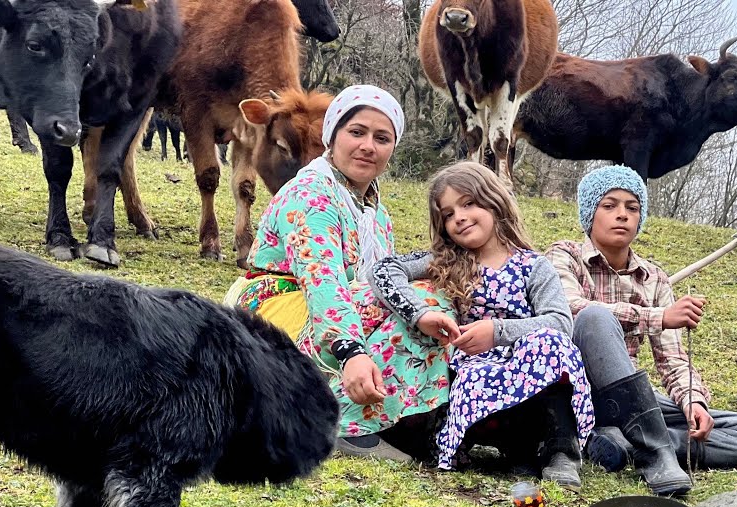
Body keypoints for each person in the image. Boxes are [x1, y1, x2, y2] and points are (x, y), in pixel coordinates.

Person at [224, 85, 452, 461]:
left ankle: (386, 416)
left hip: (334, 310)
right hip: (272, 315)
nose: (368, 146)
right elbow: (323, 282)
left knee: (424, 300)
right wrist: (351, 355)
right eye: (356, 132)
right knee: (403, 301)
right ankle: (338, 421)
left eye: (382, 138)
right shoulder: (311, 193)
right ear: (332, 136)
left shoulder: (374, 211)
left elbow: (382, 280)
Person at [547, 166, 737, 497]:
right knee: (595, 317)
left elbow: (673, 359)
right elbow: (569, 310)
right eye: (609, 206)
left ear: (641, 218)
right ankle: (655, 453)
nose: (621, 215)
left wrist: (693, 401)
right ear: (589, 214)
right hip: (571, 395)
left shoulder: (654, 278)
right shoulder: (563, 256)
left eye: (632, 208)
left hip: (628, 404)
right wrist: (658, 316)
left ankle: (628, 441)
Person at [367, 162, 594, 486]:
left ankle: (560, 449)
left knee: (550, 345)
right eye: (447, 213)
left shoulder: (533, 265)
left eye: (468, 203)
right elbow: (383, 271)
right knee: (466, 374)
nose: (458, 216)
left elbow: (560, 322)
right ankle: (515, 448)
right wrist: (422, 314)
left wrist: (498, 332)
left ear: (495, 203)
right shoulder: (446, 261)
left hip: (528, 362)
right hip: (473, 368)